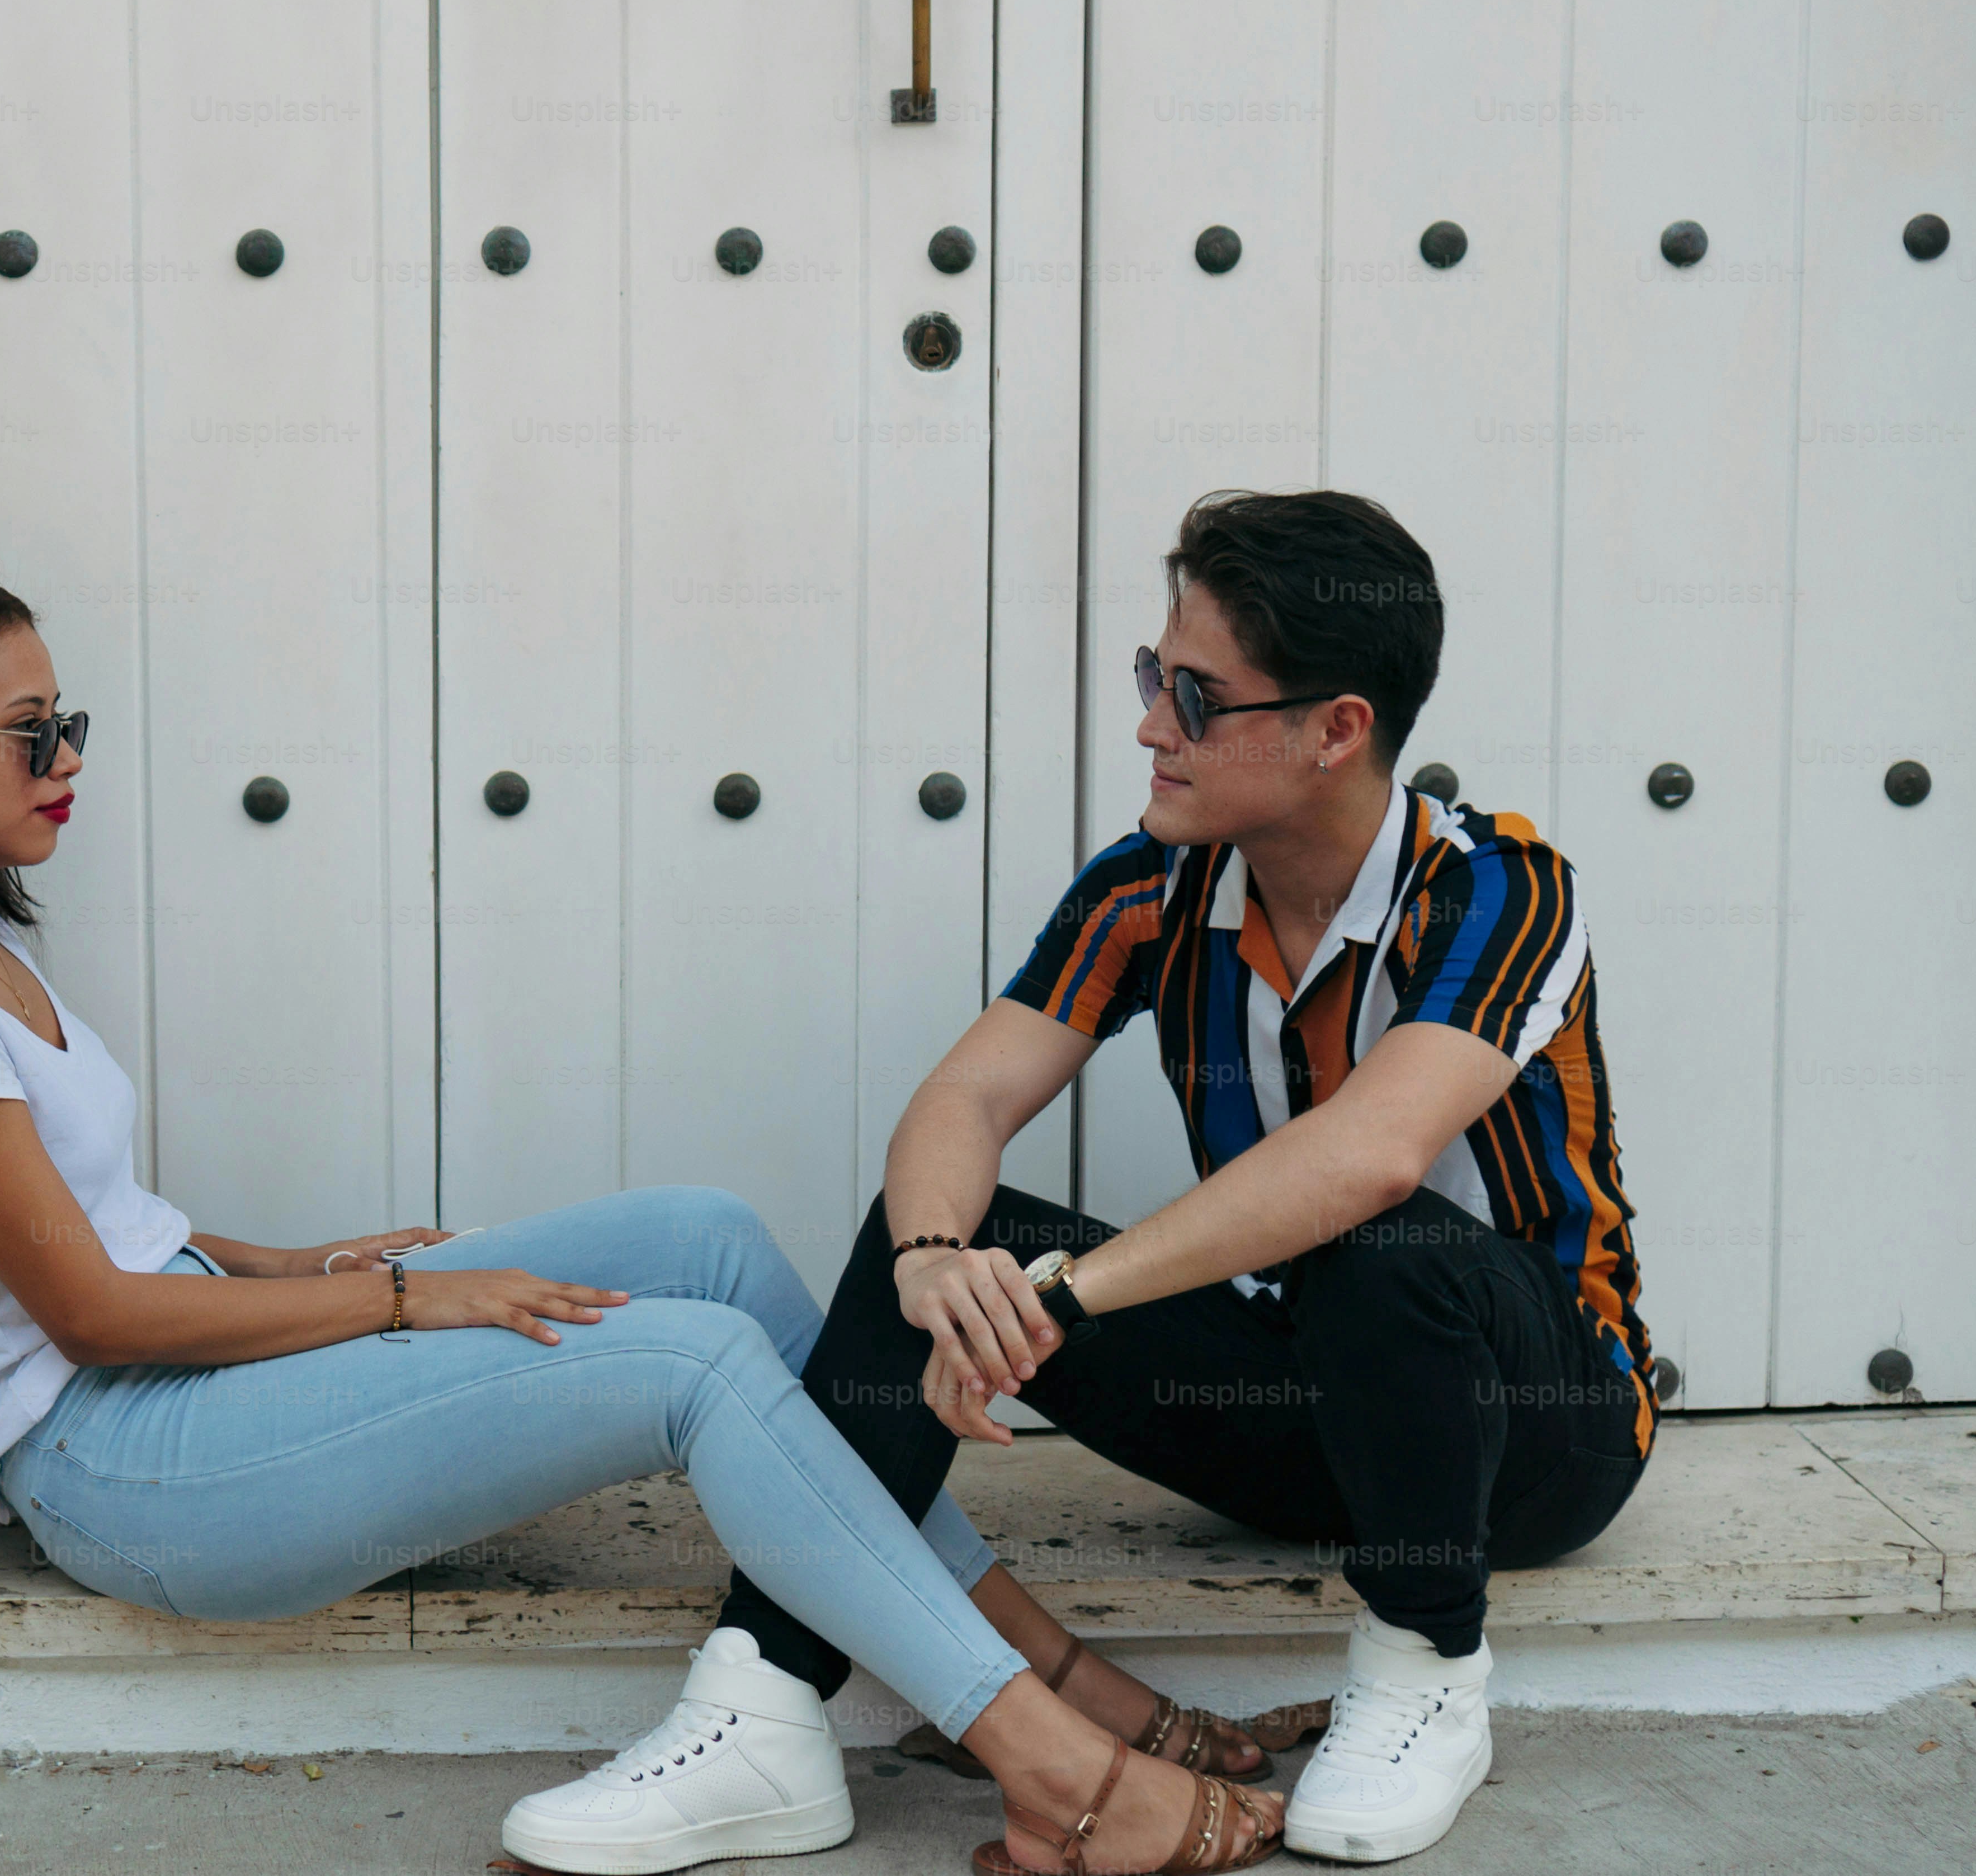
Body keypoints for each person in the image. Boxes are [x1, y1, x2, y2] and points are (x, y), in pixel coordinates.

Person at [0, 557, 1285, 1876]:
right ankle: (1064, 1768)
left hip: (180, 1379)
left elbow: (102, 1223)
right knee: (692, 1365)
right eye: (28, 734)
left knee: (708, 1242)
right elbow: (89, 1313)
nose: (64, 758)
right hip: (122, 1461)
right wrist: (418, 1299)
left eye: (64, 724)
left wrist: (297, 1262)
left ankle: (1046, 1669)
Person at [578, 488, 1650, 1869]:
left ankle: (1425, 1667)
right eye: (1155, 677)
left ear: (1338, 728)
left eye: (1197, 696)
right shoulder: (1154, 882)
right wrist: (936, 1265)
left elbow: (1369, 1156)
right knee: (937, 1240)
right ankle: (764, 1704)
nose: (1149, 724)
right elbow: (966, 1093)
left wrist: (1063, 1301)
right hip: (1299, 1409)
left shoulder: (1501, 889)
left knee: (1379, 1239)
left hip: (1535, 1428)